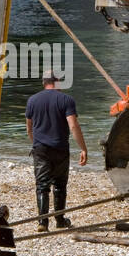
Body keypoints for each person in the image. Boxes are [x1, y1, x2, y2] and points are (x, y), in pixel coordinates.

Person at [25, 70, 88, 233]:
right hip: (60, 148)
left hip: (40, 149)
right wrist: (83, 148)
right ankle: (60, 220)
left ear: (43, 82)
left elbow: (29, 128)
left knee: (42, 185)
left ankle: (42, 223)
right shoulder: (66, 100)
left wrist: (36, 144)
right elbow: (73, 125)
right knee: (59, 185)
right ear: (58, 82)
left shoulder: (32, 100)